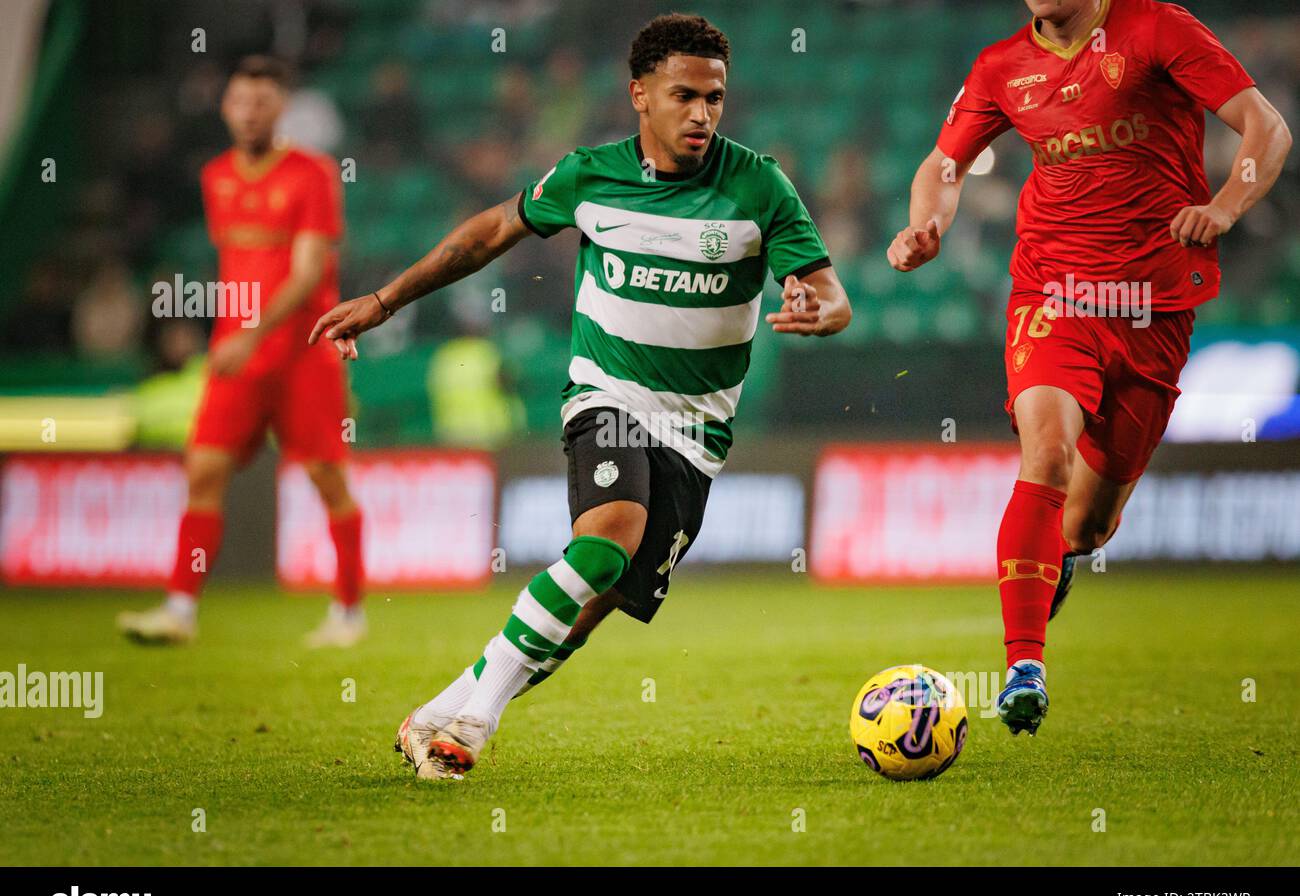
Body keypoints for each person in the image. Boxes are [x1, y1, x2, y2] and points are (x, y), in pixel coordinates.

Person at [311, 14, 852, 779]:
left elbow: (833, 296)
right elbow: (492, 231)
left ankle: (436, 711)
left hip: (698, 434)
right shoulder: (588, 175)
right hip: (608, 396)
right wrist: (387, 299)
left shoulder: (757, 184)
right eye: (684, 95)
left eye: (715, 98)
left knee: (594, 600)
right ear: (639, 94)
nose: (702, 113)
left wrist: (819, 311)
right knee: (605, 541)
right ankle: (473, 722)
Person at [888, 0, 1291, 734]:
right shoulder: (1001, 66)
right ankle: (1023, 668)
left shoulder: (1159, 28)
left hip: (1152, 306)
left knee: (1089, 524)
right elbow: (944, 164)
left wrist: (1227, 205)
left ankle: (1063, 555)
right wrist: (929, 223)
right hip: (1055, 290)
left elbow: (1269, 126)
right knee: (1044, 455)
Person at [117, 56, 366, 649]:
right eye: (239, 101)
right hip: (238, 357)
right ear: (225, 108)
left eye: (262, 101)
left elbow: (308, 275)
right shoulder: (215, 177)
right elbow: (238, 270)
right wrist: (227, 334)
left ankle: (349, 613)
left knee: (328, 478)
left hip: (303, 353)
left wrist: (251, 332)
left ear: (281, 107)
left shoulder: (313, 173)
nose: (250, 112)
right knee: (203, 470)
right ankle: (180, 608)